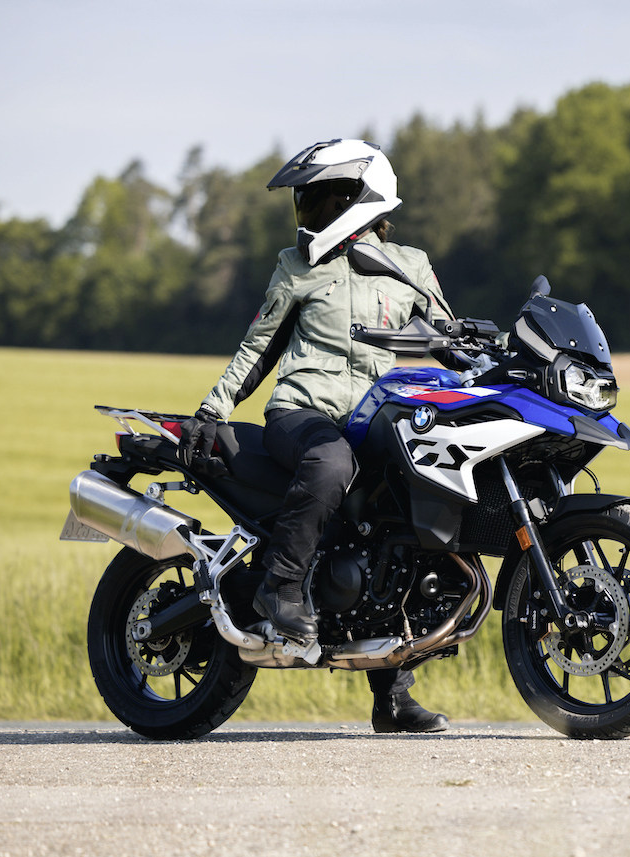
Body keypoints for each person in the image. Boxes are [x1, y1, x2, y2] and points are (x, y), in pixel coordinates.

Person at [178, 139, 451, 734]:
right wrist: (211, 407)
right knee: (331, 464)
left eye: (321, 197)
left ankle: (394, 696)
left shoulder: (410, 265)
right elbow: (259, 348)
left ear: (360, 196)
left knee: (405, 528)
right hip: (304, 415)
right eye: (306, 201)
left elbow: (450, 340)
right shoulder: (298, 265)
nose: (309, 212)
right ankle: (280, 589)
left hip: (379, 420)